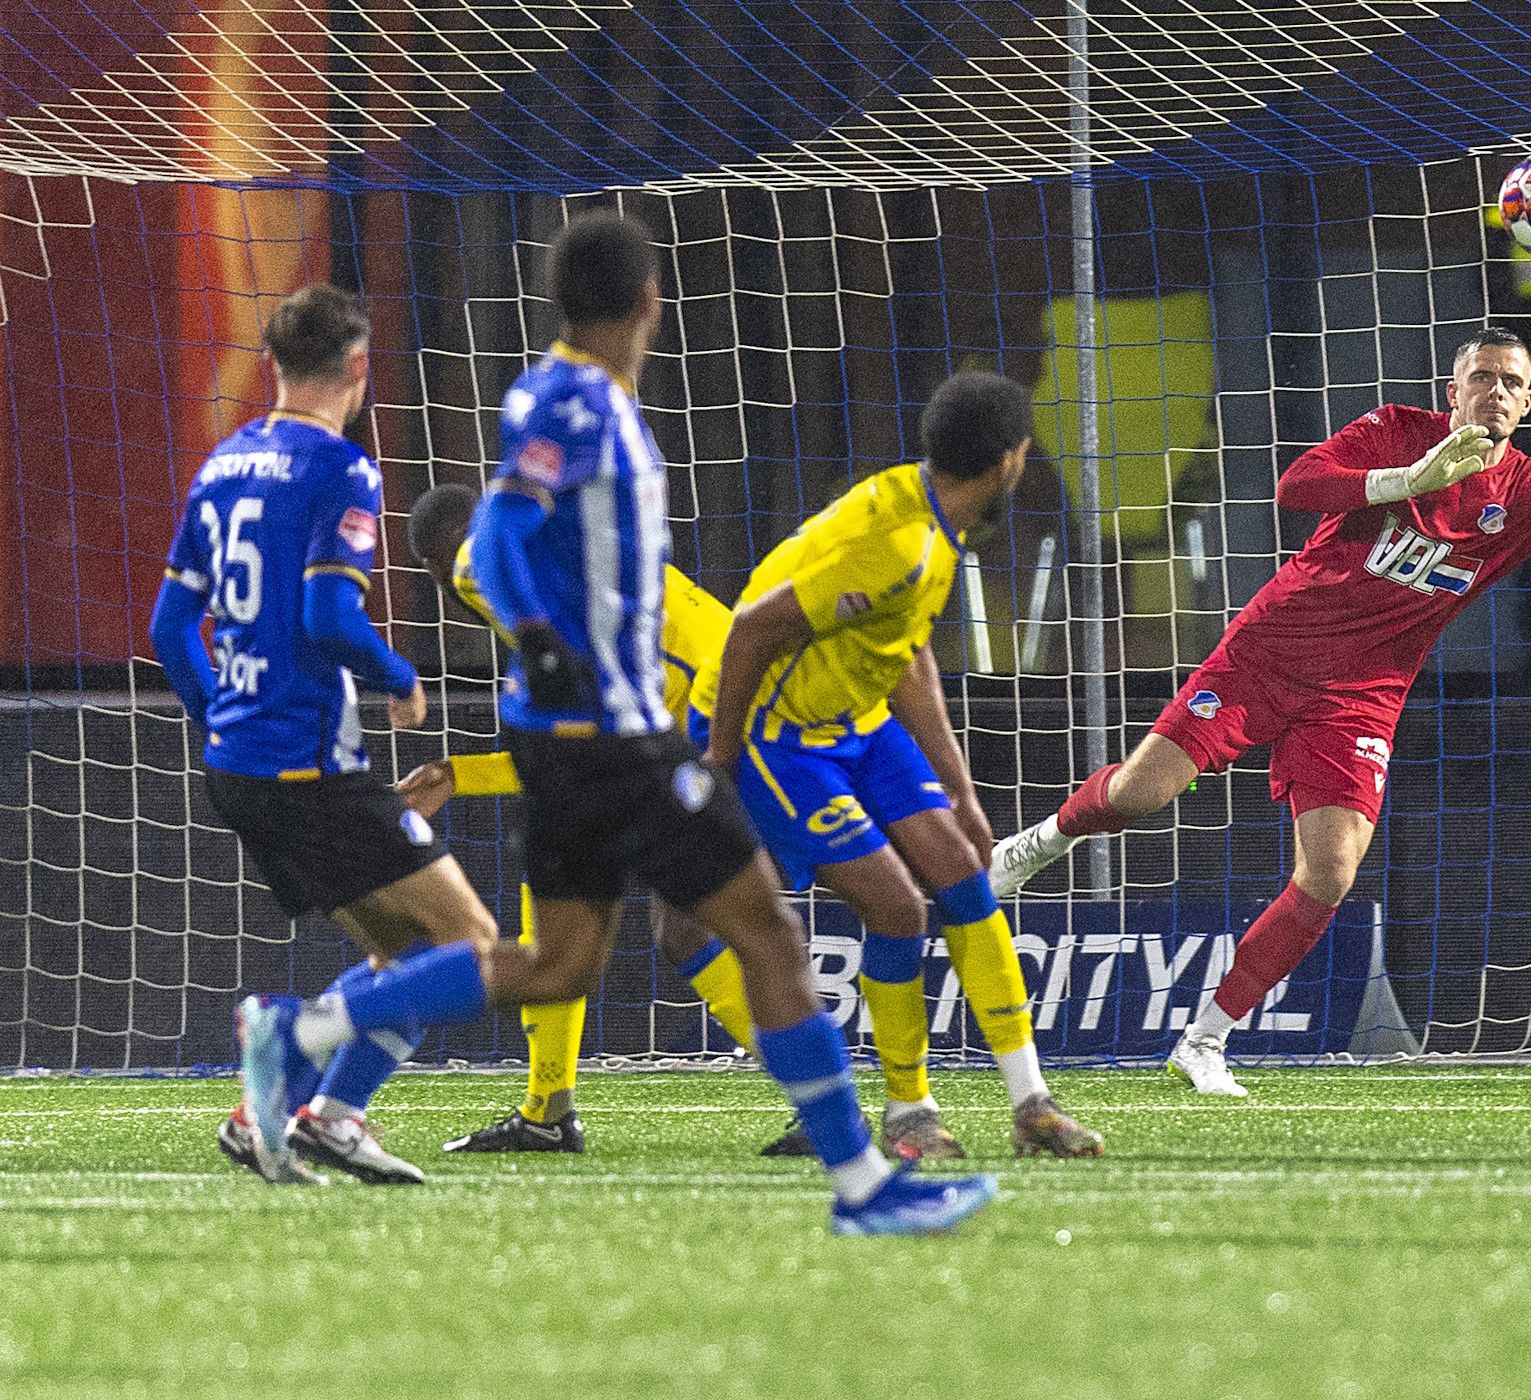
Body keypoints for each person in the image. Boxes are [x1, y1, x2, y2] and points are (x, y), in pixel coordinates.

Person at [236, 212, 995, 1234]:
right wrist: (543, 639)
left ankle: (300, 1032)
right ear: (648, 301)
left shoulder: (571, 397)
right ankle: (865, 1183)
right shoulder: (577, 403)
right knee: (765, 931)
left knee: (559, 963)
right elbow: (499, 536)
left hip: (588, 736)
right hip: (616, 736)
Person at [990, 328, 1531, 1097]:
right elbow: (1297, 486)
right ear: (1452, 392)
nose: (1496, 392)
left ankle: (1204, 1041)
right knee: (1139, 794)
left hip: (1362, 697)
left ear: (1528, 402)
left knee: (1330, 873)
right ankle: (1038, 843)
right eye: (1481, 377)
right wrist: (1408, 478)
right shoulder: (1395, 431)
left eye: (1511, 382)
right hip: (1269, 653)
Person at [704, 370, 1104, 1160]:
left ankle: (1033, 1106)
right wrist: (719, 760)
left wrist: (959, 788)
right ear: (1009, 462)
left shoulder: (929, 522)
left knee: (963, 869)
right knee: (896, 909)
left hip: (860, 719)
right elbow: (751, 627)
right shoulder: (895, 544)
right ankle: (908, 1113)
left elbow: (906, 654)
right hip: (783, 735)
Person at [150, 284, 492, 1186]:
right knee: (473, 944)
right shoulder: (343, 469)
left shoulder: (221, 465)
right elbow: (328, 617)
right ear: (359, 366)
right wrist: (400, 677)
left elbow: (169, 629)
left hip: (241, 766)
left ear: (270, 364)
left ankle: (315, 1117)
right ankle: (288, 1035)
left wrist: (222, 716)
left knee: (406, 953)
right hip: (308, 767)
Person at [397, 483, 778, 1155]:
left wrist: (467, 772)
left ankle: (823, 1096)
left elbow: (575, 718)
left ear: (434, 563)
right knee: (685, 920)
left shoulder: (475, 565)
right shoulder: (550, 553)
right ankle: (547, 1110)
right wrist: (461, 775)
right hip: (726, 697)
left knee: (614, 908)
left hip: (714, 712)